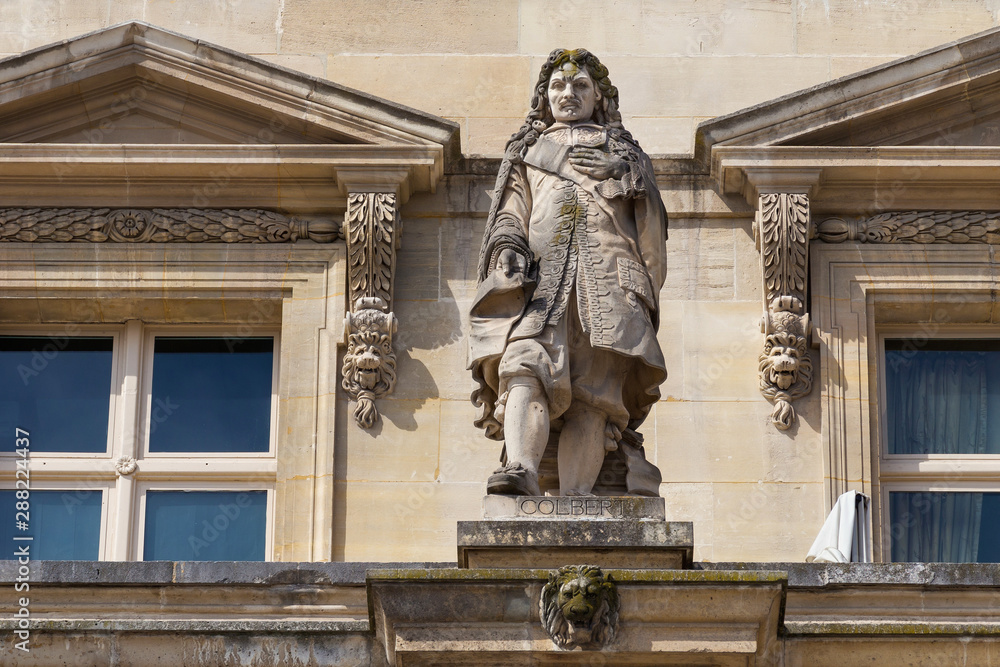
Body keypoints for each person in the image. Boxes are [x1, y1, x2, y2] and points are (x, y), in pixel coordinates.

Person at [469, 48, 667, 497]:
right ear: (545, 96)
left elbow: (653, 224)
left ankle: (579, 497)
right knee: (522, 364)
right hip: (541, 283)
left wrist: (625, 174)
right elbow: (510, 210)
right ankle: (521, 468)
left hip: (610, 284)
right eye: (558, 85)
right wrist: (507, 247)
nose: (568, 93)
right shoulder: (528, 150)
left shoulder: (625, 153)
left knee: (593, 395)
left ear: (599, 96)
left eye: (580, 85)